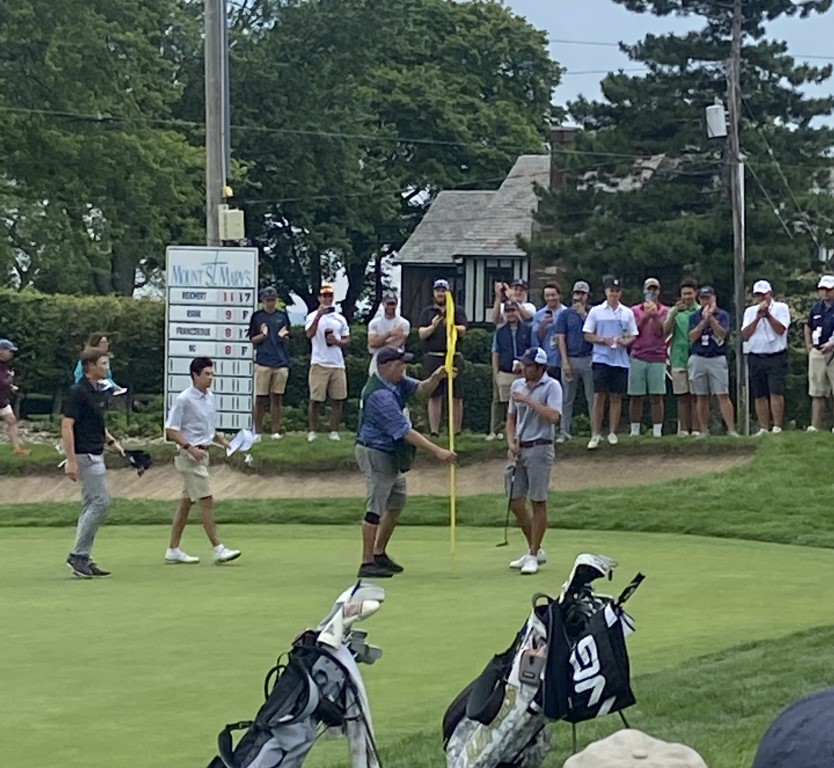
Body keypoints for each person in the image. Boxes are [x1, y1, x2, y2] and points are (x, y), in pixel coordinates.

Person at [355, 347, 456, 578]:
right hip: (375, 451)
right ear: (384, 366)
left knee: (397, 501)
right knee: (376, 506)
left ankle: (379, 552)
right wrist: (438, 451)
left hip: (390, 453)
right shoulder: (379, 395)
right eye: (399, 364)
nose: (404, 367)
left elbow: (421, 390)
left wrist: (436, 377)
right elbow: (405, 432)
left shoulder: (397, 381)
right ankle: (367, 562)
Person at [164, 357, 241, 565]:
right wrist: (190, 448)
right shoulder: (184, 399)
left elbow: (206, 428)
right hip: (189, 457)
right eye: (206, 374)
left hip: (203, 455)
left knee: (186, 503)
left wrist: (222, 441)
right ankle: (218, 548)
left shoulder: (210, 397)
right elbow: (171, 429)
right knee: (206, 500)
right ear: (195, 375)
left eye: (211, 374)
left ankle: (173, 549)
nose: (210, 378)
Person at [62, 346, 126, 578]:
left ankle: (83, 557)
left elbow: (95, 421)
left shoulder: (97, 391)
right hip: (84, 454)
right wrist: (71, 460)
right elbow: (67, 425)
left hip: (95, 451)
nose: (107, 368)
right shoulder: (78, 391)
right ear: (90, 367)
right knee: (100, 502)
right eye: (104, 364)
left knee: (90, 504)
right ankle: (78, 556)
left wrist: (111, 441)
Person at [505, 347, 562, 576]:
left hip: (541, 447)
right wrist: (510, 442)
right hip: (520, 449)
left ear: (541, 367)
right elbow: (510, 418)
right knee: (514, 499)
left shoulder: (552, 386)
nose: (524, 368)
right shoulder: (516, 385)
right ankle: (535, 549)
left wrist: (529, 401)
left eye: (529, 365)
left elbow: (553, 417)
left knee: (538, 501)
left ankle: (533, 552)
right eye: (524, 364)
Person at [582, 277, 638, 450]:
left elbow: (633, 335)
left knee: (616, 396)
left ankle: (612, 432)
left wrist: (625, 342)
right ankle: (596, 433)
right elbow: (587, 334)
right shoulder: (596, 311)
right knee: (599, 396)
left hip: (620, 360)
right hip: (601, 358)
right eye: (611, 290)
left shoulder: (627, 312)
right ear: (606, 292)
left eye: (616, 290)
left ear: (620, 292)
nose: (613, 293)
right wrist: (601, 340)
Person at [417, 278, 468, 436]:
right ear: (434, 293)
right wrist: (434, 326)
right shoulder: (427, 312)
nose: (440, 293)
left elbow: (463, 329)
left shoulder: (457, 310)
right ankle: (434, 431)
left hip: (453, 356)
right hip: (434, 356)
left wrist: (451, 324)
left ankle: (456, 431)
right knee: (435, 394)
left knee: (456, 395)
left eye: (443, 290)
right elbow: (421, 334)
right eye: (438, 290)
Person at [742, 279, 791, 435]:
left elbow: (781, 329)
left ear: (770, 294)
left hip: (775, 356)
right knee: (759, 393)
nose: (761, 298)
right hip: (756, 355)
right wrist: (757, 317)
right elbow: (745, 334)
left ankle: (776, 425)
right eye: (758, 295)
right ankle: (763, 427)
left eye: (764, 295)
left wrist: (768, 316)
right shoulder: (750, 311)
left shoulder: (781, 308)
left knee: (775, 391)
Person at [687, 286, 738, 436]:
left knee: (723, 394)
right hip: (698, 357)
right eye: (703, 298)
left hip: (717, 357)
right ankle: (703, 430)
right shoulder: (694, 316)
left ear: (714, 298)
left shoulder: (722, 315)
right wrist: (703, 322)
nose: (706, 301)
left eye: (708, 298)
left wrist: (712, 319)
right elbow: (691, 337)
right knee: (701, 396)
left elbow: (723, 334)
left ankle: (731, 430)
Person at [488, 279, 535, 439]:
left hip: (522, 369)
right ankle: (495, 430)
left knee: (522, 400)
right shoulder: (501, 331)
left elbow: (527, 317)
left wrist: (525, 364)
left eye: (521, 289)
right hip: (505, 368)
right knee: (499, 399)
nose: (510, 313)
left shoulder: (528, 309)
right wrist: (498, 297)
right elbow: (494, 320)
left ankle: (520, 430)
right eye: (516, 288)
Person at [305, 283, 350, 442]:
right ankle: (312, 431)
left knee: (337, 399)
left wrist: (337, 341)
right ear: (319, 298)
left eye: (329, 296)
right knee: (315, 399)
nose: (327, 298)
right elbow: (309, 334)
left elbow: (346, 340)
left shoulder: (339, 318)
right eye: (324, 296)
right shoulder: (311, 316)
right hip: (319, 362)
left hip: (337, 363)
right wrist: (318, 315)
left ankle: (334, 431)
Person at [248, 286, 292, 439]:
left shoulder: (282, 316)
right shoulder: (257, 316)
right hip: (263, 362)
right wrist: (263, 335)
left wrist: (283, 336)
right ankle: (257, 432)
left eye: (273, 300)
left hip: (280, 361)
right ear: (262, 301)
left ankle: (275, 431)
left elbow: (288, 337)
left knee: (277, 398)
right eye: (268, 300)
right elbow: (252, 339)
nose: (270, 303)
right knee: (260, 398)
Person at [628, 278, 669, 438]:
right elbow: (633, 331)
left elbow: (662, 332)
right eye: (649, 289)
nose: (652, 292)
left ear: (658, 291)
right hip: (638, 355)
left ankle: (657, 430)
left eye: (655, 289)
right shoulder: (634, 310)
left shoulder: (664, 311)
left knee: (657, 395)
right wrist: (646, 316)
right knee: (636, 395)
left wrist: (655, 316)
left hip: (657, 357)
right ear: (644, 290)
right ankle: (635, 430)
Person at [555, 280, 594, 443]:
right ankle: (564, 431)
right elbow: (561, 338)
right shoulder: (565, 314)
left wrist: (584, 315)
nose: (579, 297)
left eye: (582, 294)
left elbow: (594, 332)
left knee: (591, 397)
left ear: (587, 296)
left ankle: (595, 431)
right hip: (570, 358)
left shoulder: (593, 313)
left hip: (589, 358)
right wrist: (564, 361)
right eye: (576, 293)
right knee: (566, 398)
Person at [664, 279, 700, 435]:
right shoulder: (674, 312)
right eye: (684, 294)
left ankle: (697, 429)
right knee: (682, 396)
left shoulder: (701, 310)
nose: (687, 296)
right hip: (678, 357)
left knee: (696, 396)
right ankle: (684, 429)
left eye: (690, 293)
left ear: (695, 293)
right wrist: (673, 314)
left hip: (697, 356)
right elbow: (664, 332)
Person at [804, 274, 834, 431]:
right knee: (816, 390)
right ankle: (815, 425)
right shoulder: (816, 308)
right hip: (817, 351)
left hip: (833, 352)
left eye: (829, 290)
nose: (825, 293)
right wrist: (808, 345)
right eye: (823, 289)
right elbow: (808, 326)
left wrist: (832, 344)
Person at [367, 289, 410, 374]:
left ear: (397, 304)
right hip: (377, 362)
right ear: (383, 304)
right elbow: (372, 342)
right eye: (388, 304)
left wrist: (379, 341)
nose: (391, 307)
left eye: (393, 304)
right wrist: (389, 334)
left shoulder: (403, 323)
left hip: (396, 362)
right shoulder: (374, 323)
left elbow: (397, 344)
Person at [0, 338, 30, 455]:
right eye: (9, 351)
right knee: (11, 421)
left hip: (2, 400)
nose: (11, 354)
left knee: (12, 421)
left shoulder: (5, 365)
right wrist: (9, 380)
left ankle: (16, 448)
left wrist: (10, 386)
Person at [531, 282, 566, 382]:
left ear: (559, 295)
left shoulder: (567, 313)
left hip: (563, 359)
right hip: (547, 360)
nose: (550, 298)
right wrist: (543, 325)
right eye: (547, 296)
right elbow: (536, 339)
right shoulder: (538, 315)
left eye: (553, 295)